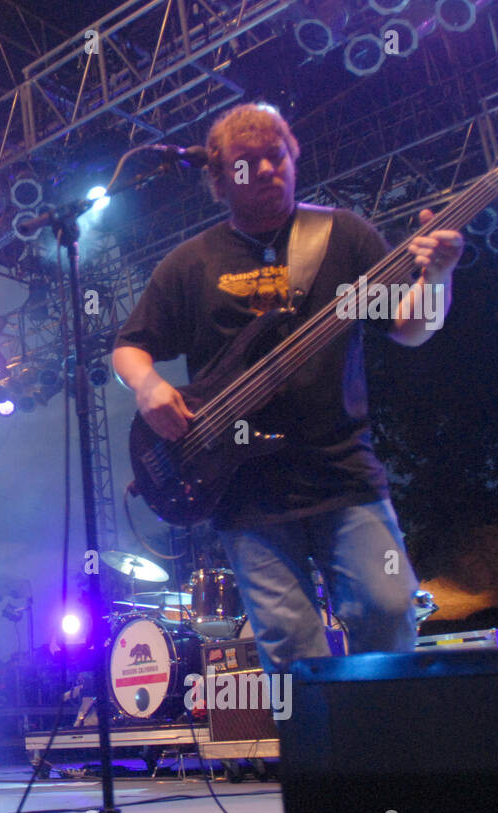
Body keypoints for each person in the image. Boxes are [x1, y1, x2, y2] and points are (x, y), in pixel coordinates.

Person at [112, 103, 464, 673]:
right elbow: (129, 347)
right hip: (245, 489)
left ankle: (390, 752)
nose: (269, 171)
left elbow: (409, 329)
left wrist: (438, 276)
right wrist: (148, 384)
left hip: (342, 470)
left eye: (278, 158)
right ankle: (325, 760)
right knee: (291, 647)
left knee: (389, 607)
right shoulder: (190, 262)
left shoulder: (342, 236)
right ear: (220, 180)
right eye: (249, 165)